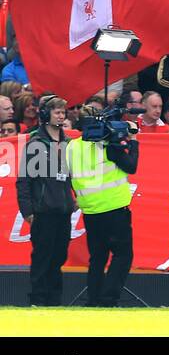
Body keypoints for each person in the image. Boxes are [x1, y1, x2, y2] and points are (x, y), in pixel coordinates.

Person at [65, 104, 139, 307]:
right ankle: (109, 298)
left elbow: (70, 177)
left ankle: (93, 298)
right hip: (114, 207)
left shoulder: (71, 146)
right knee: (123, 255)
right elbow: (131, 166)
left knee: (97, 258)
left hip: (90, 210)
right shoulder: (107, 143)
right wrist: (133, 143)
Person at [15, 96, 75, 306]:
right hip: (44, 211)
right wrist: (27, 211)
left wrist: (74, 200)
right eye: (57, 112)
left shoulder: (69, 143)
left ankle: (55, 300)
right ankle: (38, 299)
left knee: (59, 257)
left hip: (64, 210)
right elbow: (24, 180)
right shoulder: (36, 143)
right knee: (42, 257)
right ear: (45, 115)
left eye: (62, 112)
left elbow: (75, 176)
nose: (61, 115)